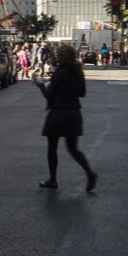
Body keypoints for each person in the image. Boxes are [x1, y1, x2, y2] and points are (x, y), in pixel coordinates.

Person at [38, 43, 97, 194]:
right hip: (74, 113)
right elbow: (82, 93)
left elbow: (49, 95)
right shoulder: (78, 72)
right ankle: (89, 172)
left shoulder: (59, 72)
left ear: (61, 57)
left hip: (57, 114)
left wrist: (40, 84)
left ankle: (53, 179)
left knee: (52, 147)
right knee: (73, 148)